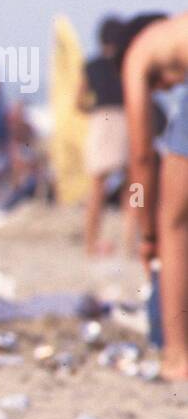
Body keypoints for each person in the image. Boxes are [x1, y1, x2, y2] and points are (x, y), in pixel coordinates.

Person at [121, 12, 188, 380]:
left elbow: (141, 157)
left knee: (176, 223)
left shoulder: (138, 53)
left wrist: (149, 234)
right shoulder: (176, 32)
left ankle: (178, 359)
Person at [80, 16, 132, 255]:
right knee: (133, 187)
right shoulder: (128, 62)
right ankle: (130, 241)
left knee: (97, 187)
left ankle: (91, 244)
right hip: (128, 120)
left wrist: (93, 109)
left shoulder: (91, 65)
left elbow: (79, 102)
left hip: (102, 121)